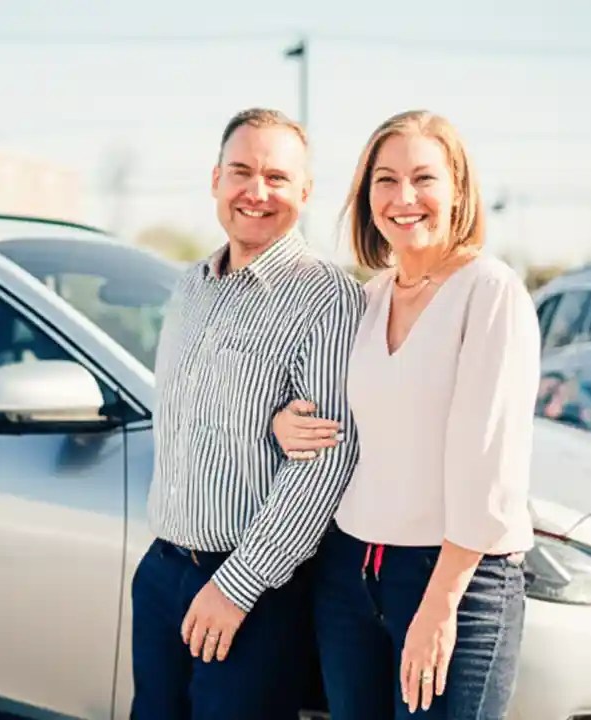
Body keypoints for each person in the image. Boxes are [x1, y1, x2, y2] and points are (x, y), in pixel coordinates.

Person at [272, 109, 539, 719]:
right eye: (385, 180)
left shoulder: (489, 292)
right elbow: (340, 415)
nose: (404, 197)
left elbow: (490, 464)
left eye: (424, 178)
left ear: (459, 191)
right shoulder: (367, 299)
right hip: (351, 575)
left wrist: (440, 603)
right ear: (366, 198)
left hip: (455, 582)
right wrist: (281, 423)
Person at [132, 107, 364, 720]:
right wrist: (265, 420)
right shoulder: (190, 286)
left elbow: (326, 461)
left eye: (278, 177)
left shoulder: (327, 296)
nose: (256, 192)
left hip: (249, 589)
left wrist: (236, 588)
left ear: (306, 193)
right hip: (161, 571)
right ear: (215, 180)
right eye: (241, 171)